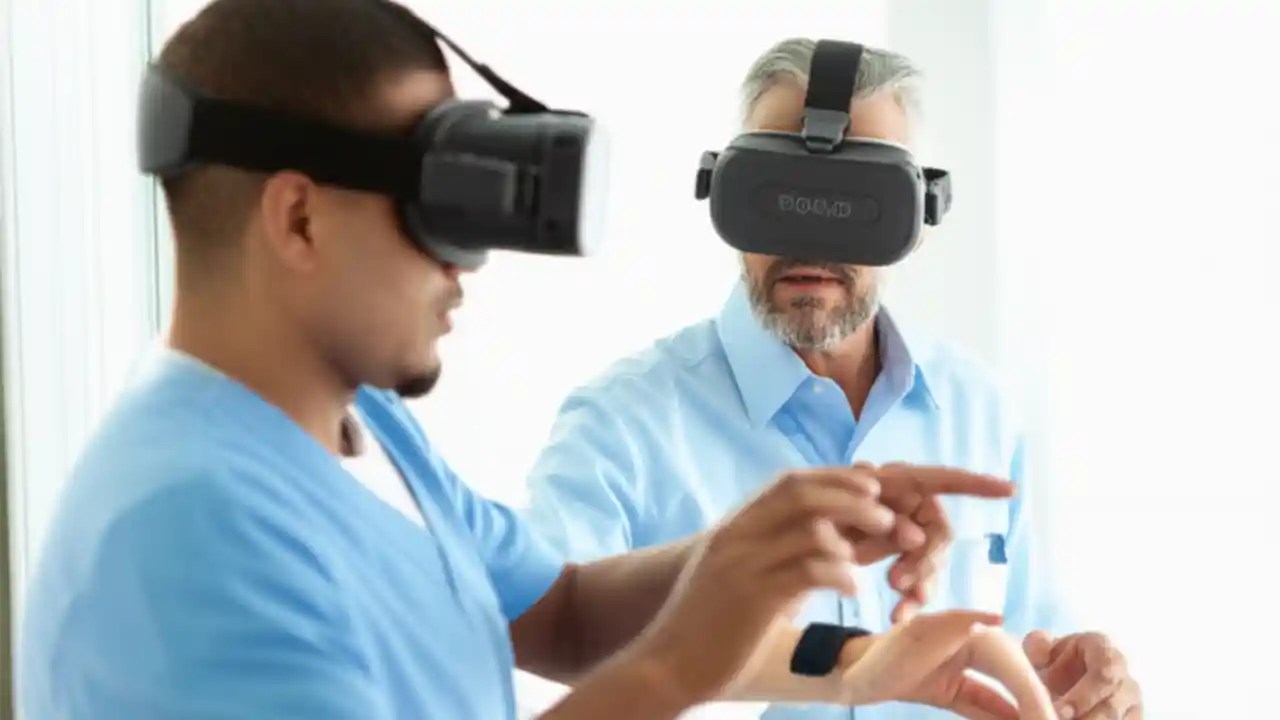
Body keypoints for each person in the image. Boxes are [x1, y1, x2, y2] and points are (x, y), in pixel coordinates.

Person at [16, 2, 1060, 719]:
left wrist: (813, 603)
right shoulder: (189, 528)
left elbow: (558, 608)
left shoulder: (365, 437)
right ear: (296, 218)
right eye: (441, 206)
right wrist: (676, 667)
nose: (470, 264)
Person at [524, 37, 1142, 720]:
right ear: (727, 195)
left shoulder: (983, 413)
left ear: (920, 215)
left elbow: (1028, 656)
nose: (812, 239)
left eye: (857, 200)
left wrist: (1078, 688)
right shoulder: (621, 427)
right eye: (778, 194)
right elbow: (554, 644)